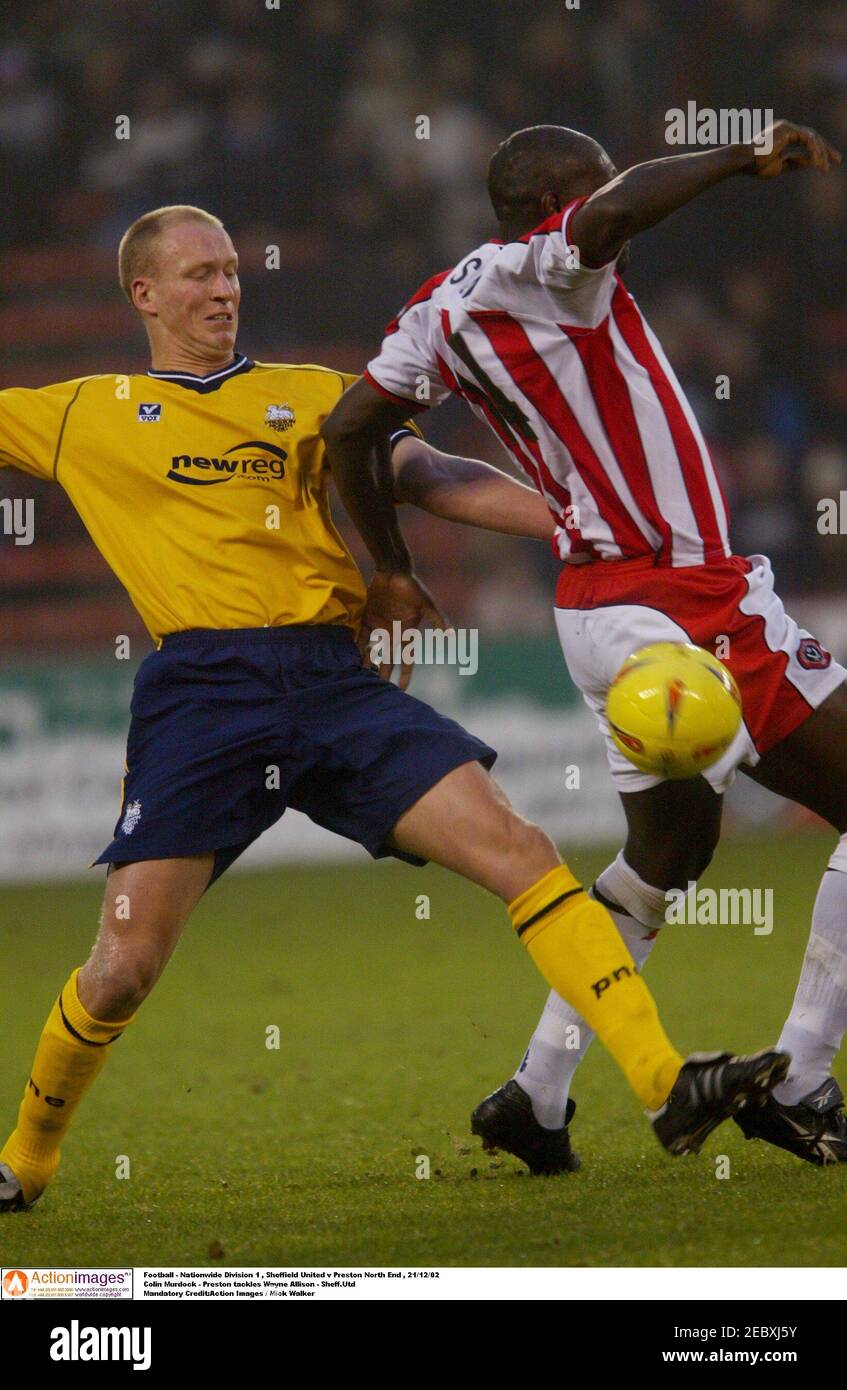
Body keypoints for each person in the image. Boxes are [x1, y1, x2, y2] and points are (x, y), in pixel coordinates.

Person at [0, 205, 779, 1213]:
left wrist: (581, 525)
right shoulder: (80, 412)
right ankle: (27, 1159)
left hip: (332, 679)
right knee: (121, 969)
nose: (223, 289)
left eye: (232, 270)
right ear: (142, 294)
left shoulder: (308, 397)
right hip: (200, 697)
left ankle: (662, 1082)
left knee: (519, 849)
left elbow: (429, 474)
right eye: (197, 274)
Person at [321, 119, 847, 1173]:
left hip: (599, 606)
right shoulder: (553, 265)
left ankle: (536, 1092)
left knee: (666, 861)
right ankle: (799, 1072)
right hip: (682, 595)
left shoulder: (439, 307)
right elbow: (608, 212)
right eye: (595, 187)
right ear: (554, 204)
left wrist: (390, 565)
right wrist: (739, 155)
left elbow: (346, 428)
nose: (611, 206)